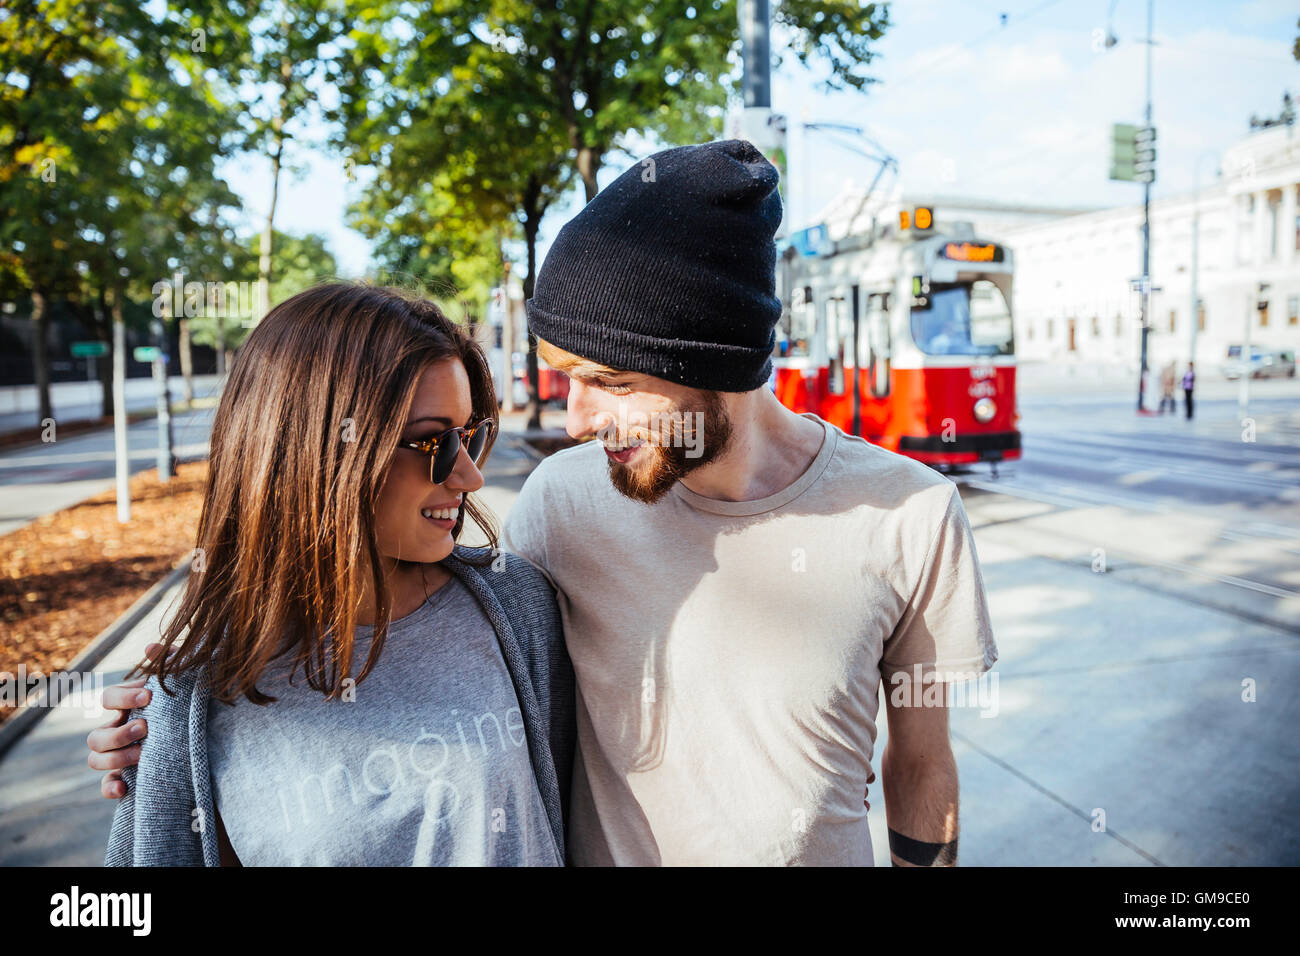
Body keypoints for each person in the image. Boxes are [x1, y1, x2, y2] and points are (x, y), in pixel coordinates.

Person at [92, 141, 996, 867]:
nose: (577, 421)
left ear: (714, 369)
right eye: (565, 376)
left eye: (610, 380)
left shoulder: (911, 514)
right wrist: (170, 719)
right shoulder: (564, 506)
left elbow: (921, 766)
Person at [92, 283, 574, 866]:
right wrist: (162, 728)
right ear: (319, 453)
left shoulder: (516, 606)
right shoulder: (192, 701)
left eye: (468, 435)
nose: (469, 477)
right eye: (433, 442)